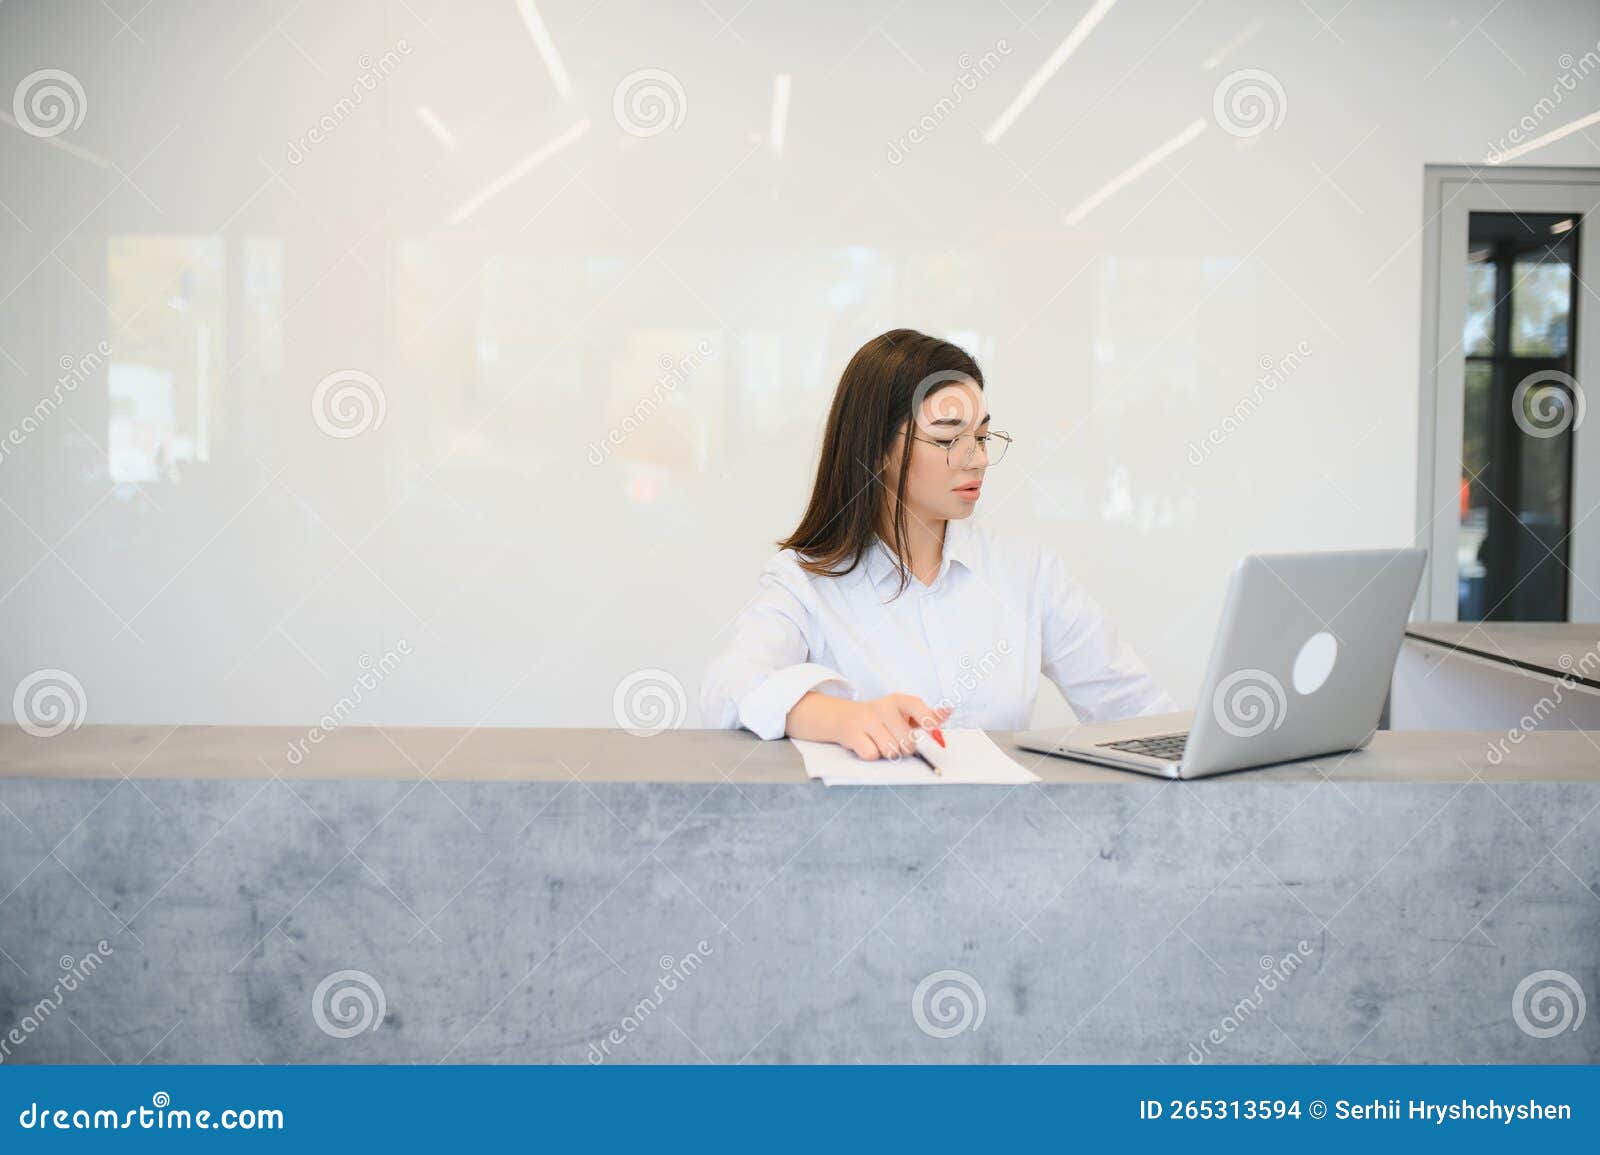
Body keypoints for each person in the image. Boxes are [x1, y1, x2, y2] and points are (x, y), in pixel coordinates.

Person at [700, 328, 1174, 760]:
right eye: (949, 438)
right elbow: (728, 689)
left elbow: (1134, 708)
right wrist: (842, 718)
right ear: (877, 449)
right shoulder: (805, 580)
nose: (980, 459)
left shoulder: (1026, 571)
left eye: (984, 436)